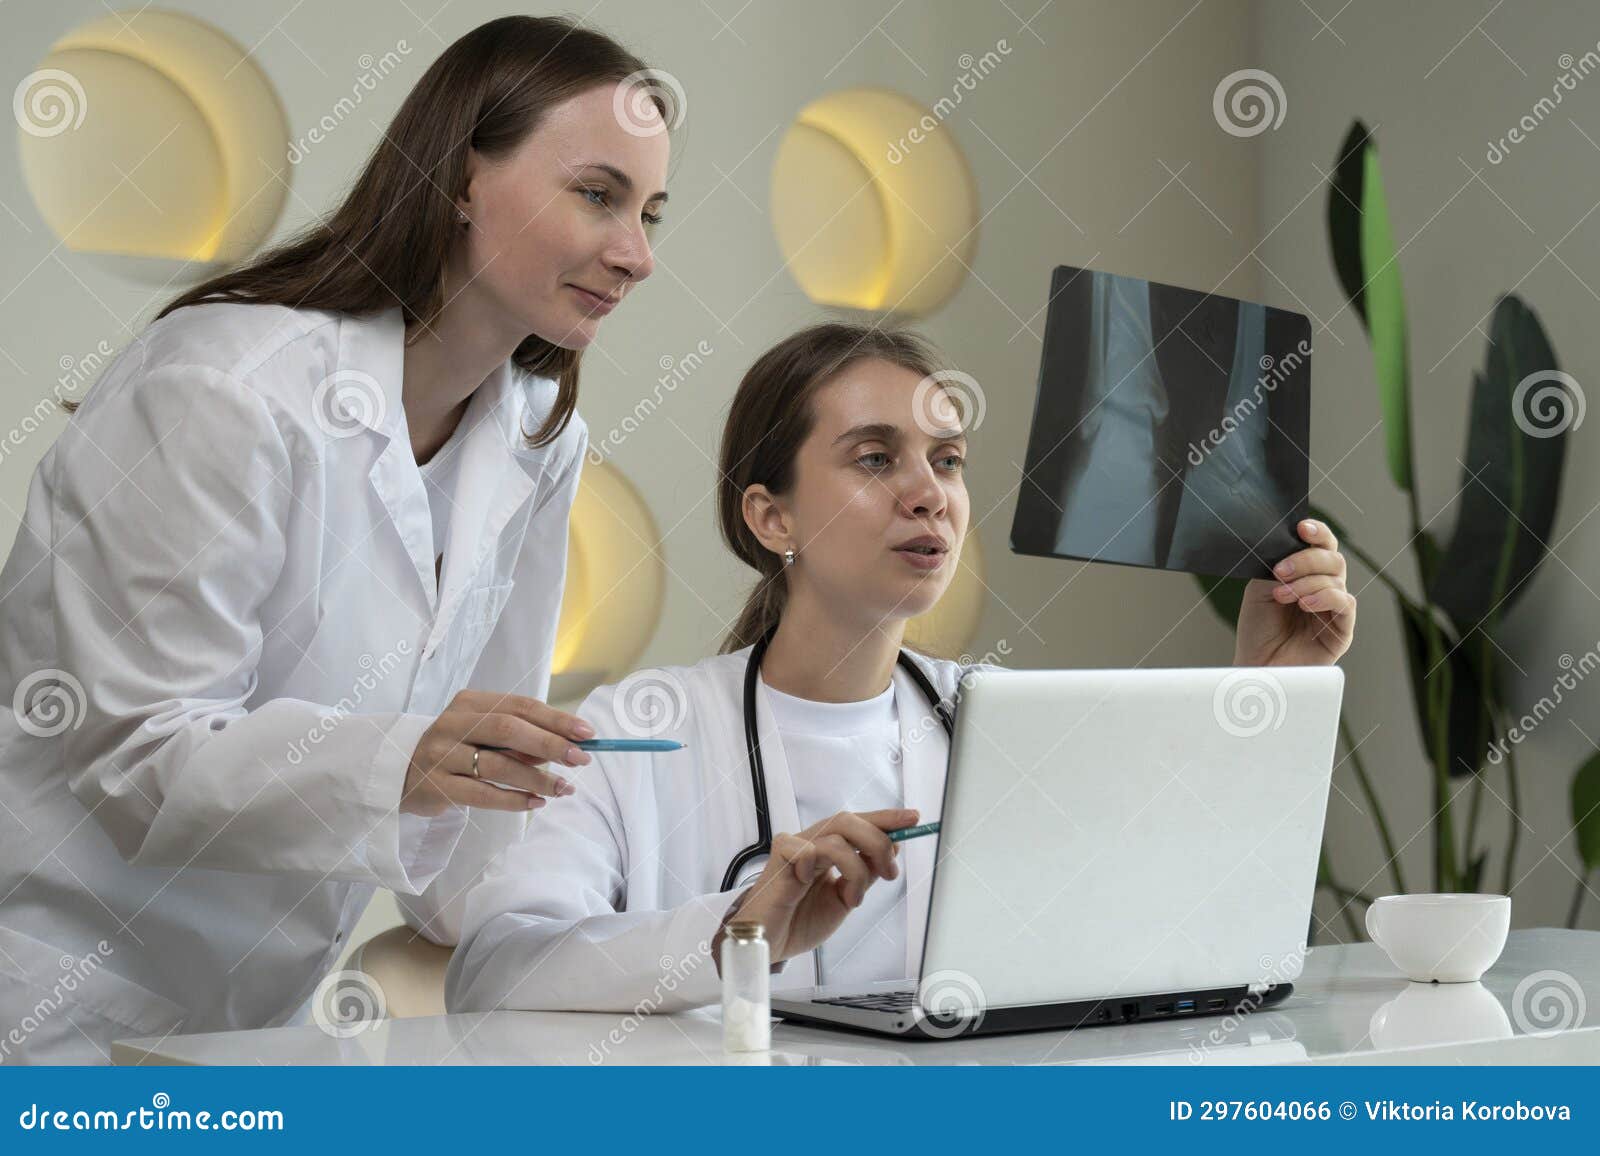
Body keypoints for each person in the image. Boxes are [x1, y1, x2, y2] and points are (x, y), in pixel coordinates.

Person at [0, 15, 672, 1063]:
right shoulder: (223, 389)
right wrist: (410, 758)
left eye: (650, 213)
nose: (634, 255)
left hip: (246, 1032)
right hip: (48, 1003)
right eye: (597, 193)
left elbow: (476, 837)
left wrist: (705, 929)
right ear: (458, 178)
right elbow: (135, 751)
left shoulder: (537, 433)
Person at [444, 322, 1356, 1014]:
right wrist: (737, 935)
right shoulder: (632, 735)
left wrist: (1272, 689)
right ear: (772, 519)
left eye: (948, 461)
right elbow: (492, 972)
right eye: (876, 458)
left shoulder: (1009, 726)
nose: (930, 493)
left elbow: (1194, 939)